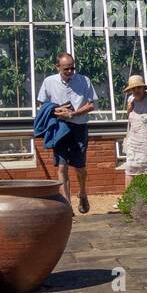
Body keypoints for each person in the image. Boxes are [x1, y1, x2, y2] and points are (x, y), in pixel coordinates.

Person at [36, 52, 97, 213]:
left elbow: (91, 105)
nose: (70, 71)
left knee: (79, 167)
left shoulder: (84, 80)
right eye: (66, 69)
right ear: (58, 68)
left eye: (72, 68)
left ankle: (82, 193)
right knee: (62, 166)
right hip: (60, 127)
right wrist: (56, 110)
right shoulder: (49, 82)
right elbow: (42, 103)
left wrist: (72, 114)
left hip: (79, 127)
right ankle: (67, 206)